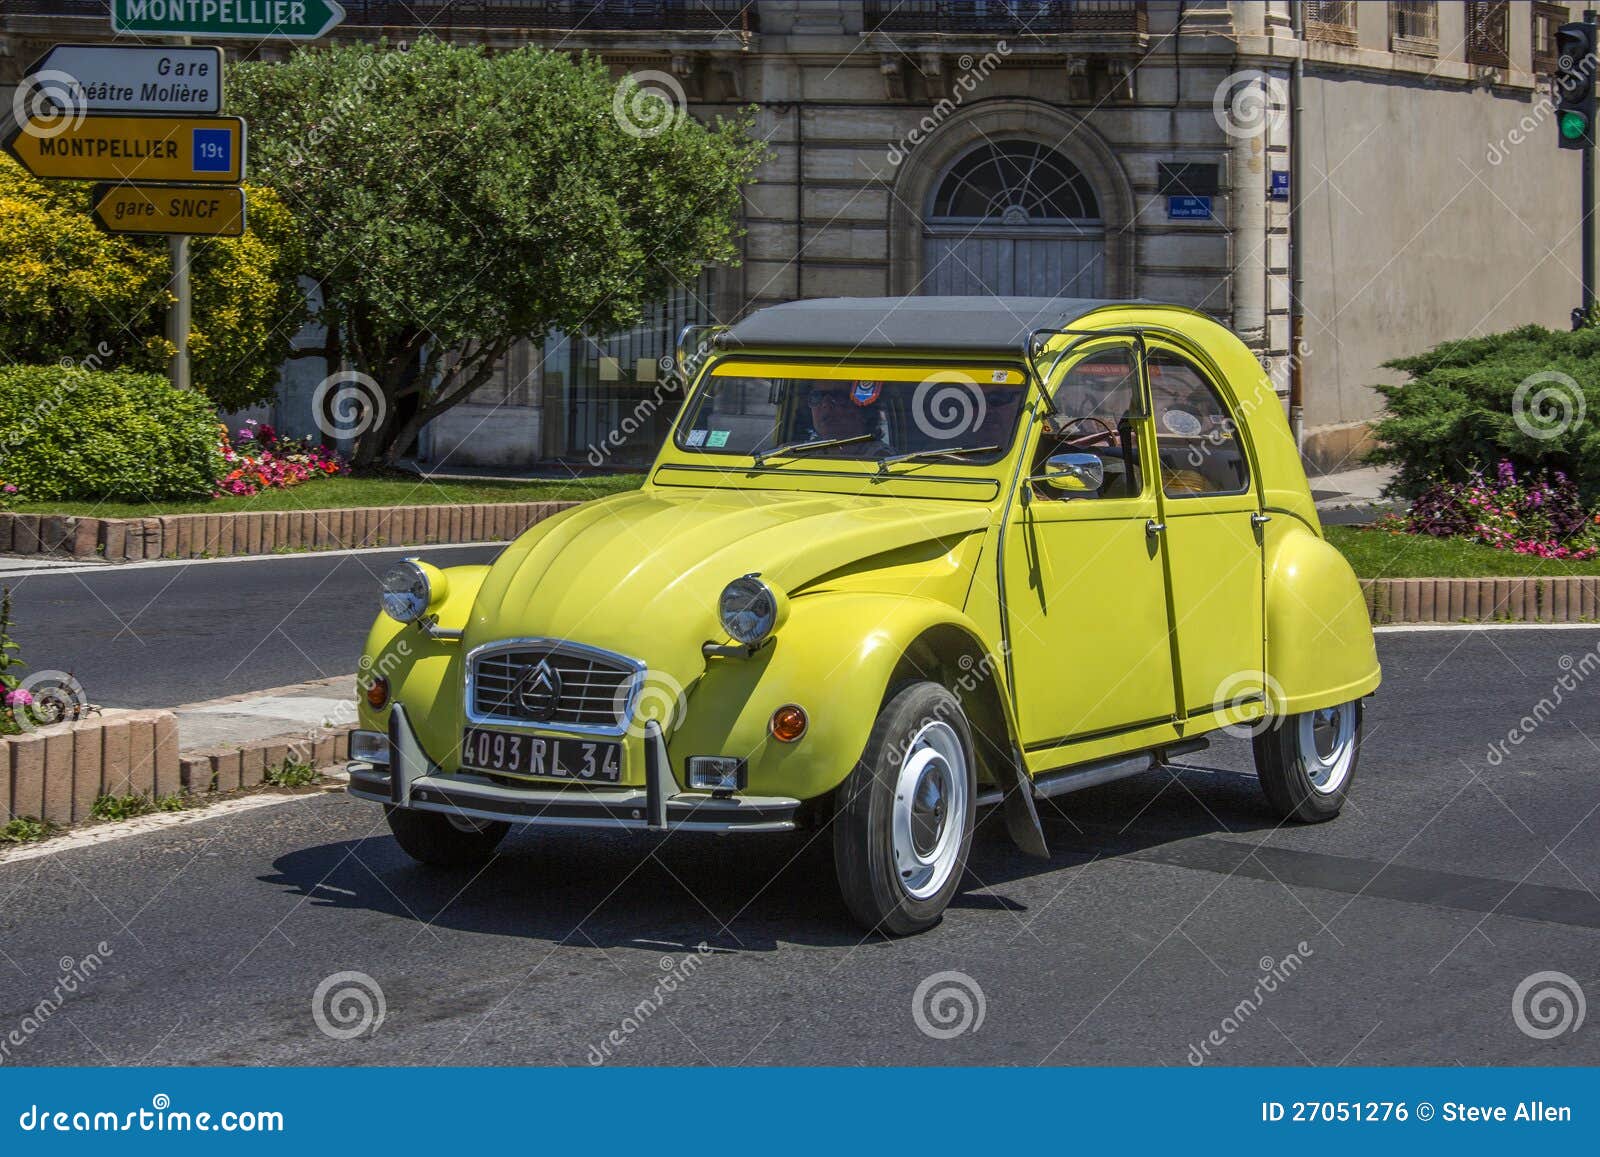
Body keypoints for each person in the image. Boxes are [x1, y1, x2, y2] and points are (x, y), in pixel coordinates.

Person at [803, 382, 891, 456]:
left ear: (863, 410)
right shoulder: (801, 453)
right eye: (816, 397)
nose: (825, 404)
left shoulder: (882, 460)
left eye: (837, 396)